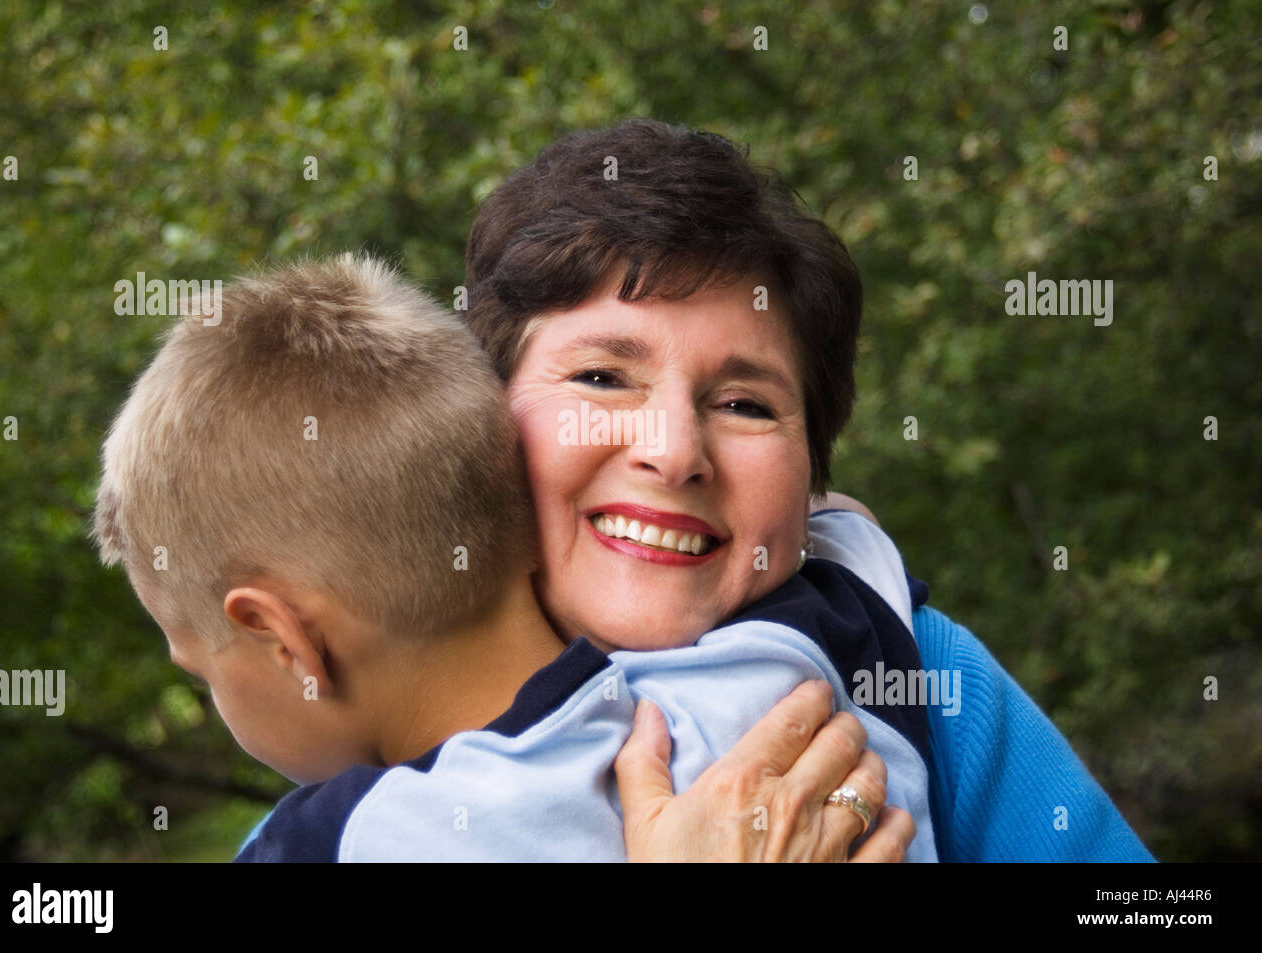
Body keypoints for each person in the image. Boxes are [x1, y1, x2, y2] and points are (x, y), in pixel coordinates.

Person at [462, 117, 1155, 861]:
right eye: (601, 377)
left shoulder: (919, 672)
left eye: (744, 405)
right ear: (478, 415)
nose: (674, 454)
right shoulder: (365, 691)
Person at [91, 253, 916, 862]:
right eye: (601, 378)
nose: (672, 455)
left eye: (202, 670)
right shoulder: (819, 632)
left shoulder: (344, 841)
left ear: (286, 641)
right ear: (517, 494)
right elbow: (840, 530)